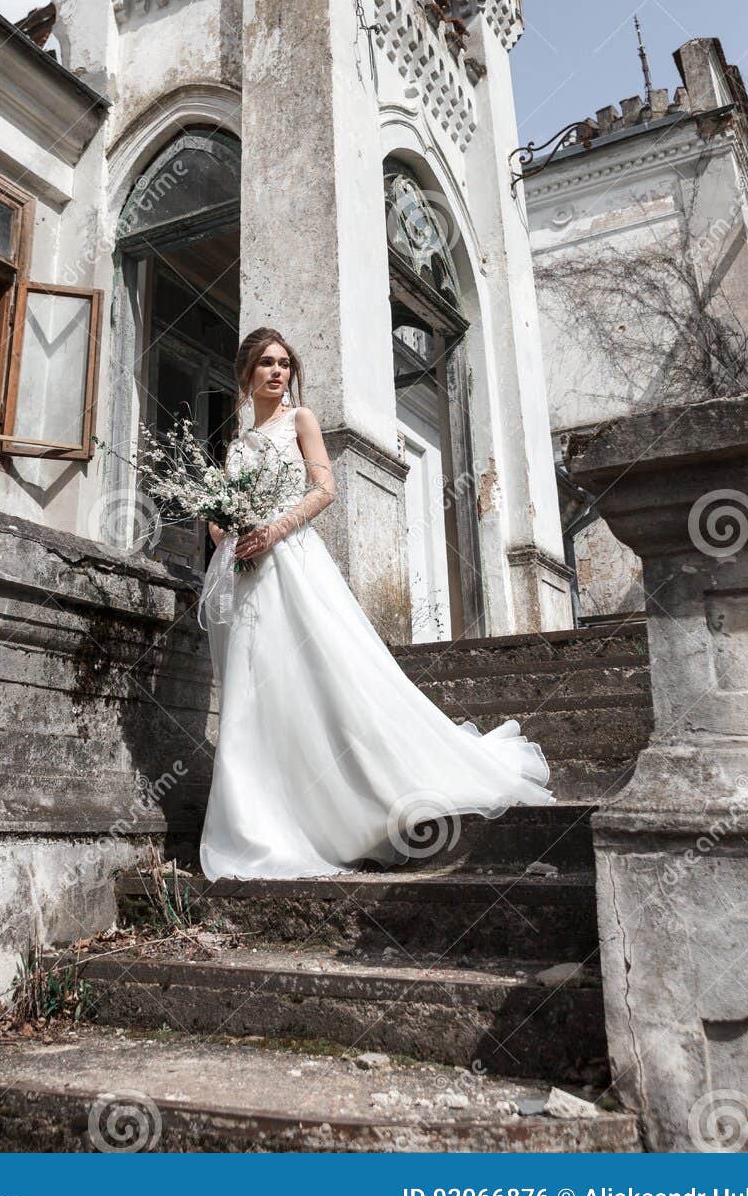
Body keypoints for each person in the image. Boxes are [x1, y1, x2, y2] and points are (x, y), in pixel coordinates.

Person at [198, 326, 555, 882]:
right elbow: (217, 517)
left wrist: (274, 529)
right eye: (266, 364)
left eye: (285, 363)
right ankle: (263, 821)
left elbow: (324, 490)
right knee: (255, 687)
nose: (277, 372)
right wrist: (231, 537)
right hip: (250, 575)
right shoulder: (236, 447)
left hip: (293, 561)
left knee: (326, 672)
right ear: (246, 376)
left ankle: (360, 796)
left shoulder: (302, 421)